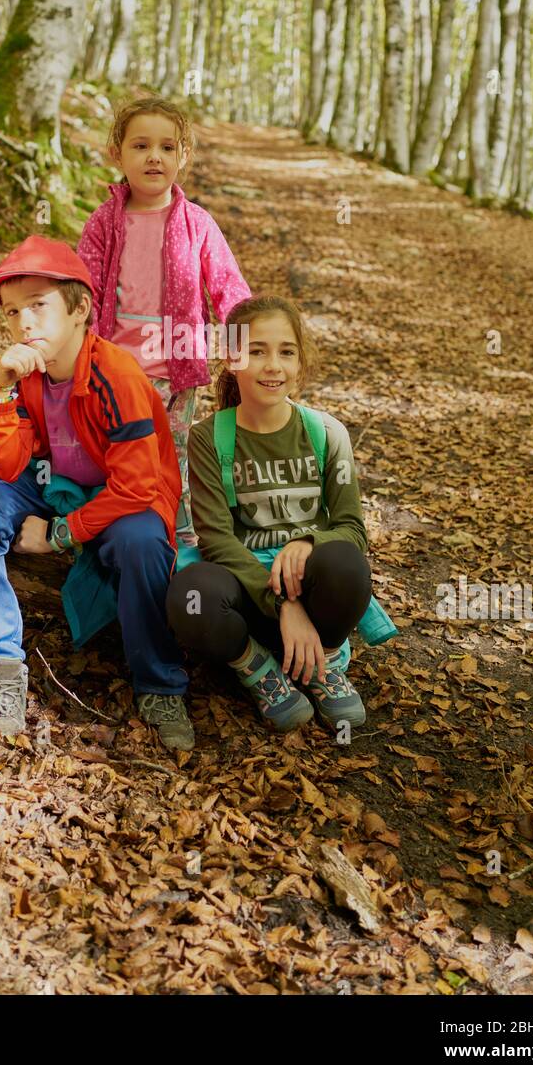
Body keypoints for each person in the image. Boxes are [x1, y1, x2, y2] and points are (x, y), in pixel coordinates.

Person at [0, 236, 194, 752]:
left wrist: (58, 535)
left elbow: (137, 487)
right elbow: (4, 465)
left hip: (120, 496)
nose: (24, 323)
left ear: (81, 309)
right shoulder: (28, 376)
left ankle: (159, 683)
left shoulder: (117, 377)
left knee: (143, 541)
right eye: (13, 312)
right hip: (52, 484)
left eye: (39, 305)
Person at [166, 294, 372, 736]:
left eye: (286, 352)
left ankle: (325, 663)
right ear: (231, 359)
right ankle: (259, 668)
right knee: (190, 594)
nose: (272, 365)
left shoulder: (326, 432)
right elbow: (217, 541)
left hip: (316, 591)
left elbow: (352, 529)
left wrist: (306, 544)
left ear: (300, 364)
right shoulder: (209, 439)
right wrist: (283, 604)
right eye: (256, 351)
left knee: (345, 563)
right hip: (248, 592)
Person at [77, 96, 251, 549]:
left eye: (167, 148)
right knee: (118, 451)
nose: (154, 156)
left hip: (175, 369)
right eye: (140, 146)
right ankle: (108, 531)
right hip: (114, 368)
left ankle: (182, 540)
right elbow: (84, 290)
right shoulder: (105, 222)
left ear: (183, 158)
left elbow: (227, 284)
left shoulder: (197, 223)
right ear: (117, 153)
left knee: (172, 458)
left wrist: (242, 335)